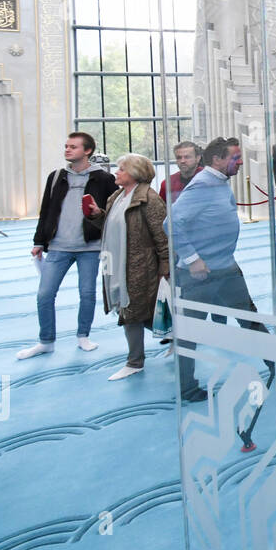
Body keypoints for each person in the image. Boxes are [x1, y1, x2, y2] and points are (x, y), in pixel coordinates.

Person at [168, 136, 267, 402]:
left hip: (225, 267)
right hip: (201, 274)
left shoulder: (219, 182)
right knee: (190, 332)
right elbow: (171, 223)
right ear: (217, 160)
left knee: (248, 315)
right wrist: (192, 259)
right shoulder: (202, 185)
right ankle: (186, 389)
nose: (240, 162)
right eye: (235, 157)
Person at [22, 132, 119, 359]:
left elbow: (113, 212)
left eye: (73, 147)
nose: (67, 150)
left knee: (86, 293)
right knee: (45, 294)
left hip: (89, 246)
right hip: (58, 246)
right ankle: (46, 341)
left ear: (87, 151)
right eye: (66, 146)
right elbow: (46, 210)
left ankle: (83, 336)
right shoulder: (56, 177)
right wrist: (39, 241)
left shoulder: (104, 179)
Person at [86, 154, 169, 382]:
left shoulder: (149, 200)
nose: (116, 172)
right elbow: (112, 226)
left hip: (141, 267)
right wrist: (97, 215)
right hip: (119, 264)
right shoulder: (117, 196)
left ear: (134, 173)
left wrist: (165, 270)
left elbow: (163, 237)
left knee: (131, 313)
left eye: (121, 169)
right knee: (139, 314)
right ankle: (179, 338)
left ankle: (135, 362)